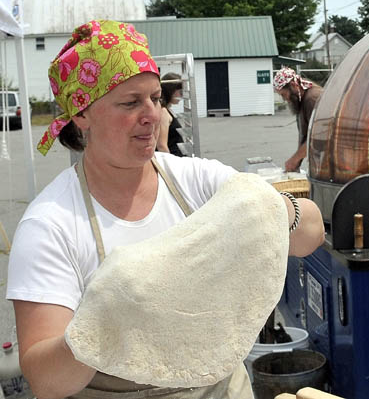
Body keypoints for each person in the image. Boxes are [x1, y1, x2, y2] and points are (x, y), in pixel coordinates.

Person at [6, 20, 325, 399]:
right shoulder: (51, 225)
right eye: (130, 102)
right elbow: (45, 380)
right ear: (81, 114)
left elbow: (312, 232)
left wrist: (273, 210)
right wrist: (102, 324)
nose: (152, 115)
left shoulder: (194, 181)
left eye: (155, 98)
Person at [273, 67, 323, 172]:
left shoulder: (312, 99)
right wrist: (296, 162)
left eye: (283, 94)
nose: (284, 99)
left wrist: (294, 160)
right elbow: (305, 136)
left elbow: (318, 137)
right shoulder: (301, 99)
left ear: (293, 86)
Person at [156, 72, 185, 156]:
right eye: (180, 92)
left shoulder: (168, 110)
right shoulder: (163, 112)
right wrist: (171, 166)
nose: (182, 95)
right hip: (172, 159)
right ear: (171, 91)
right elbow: (161, 145)